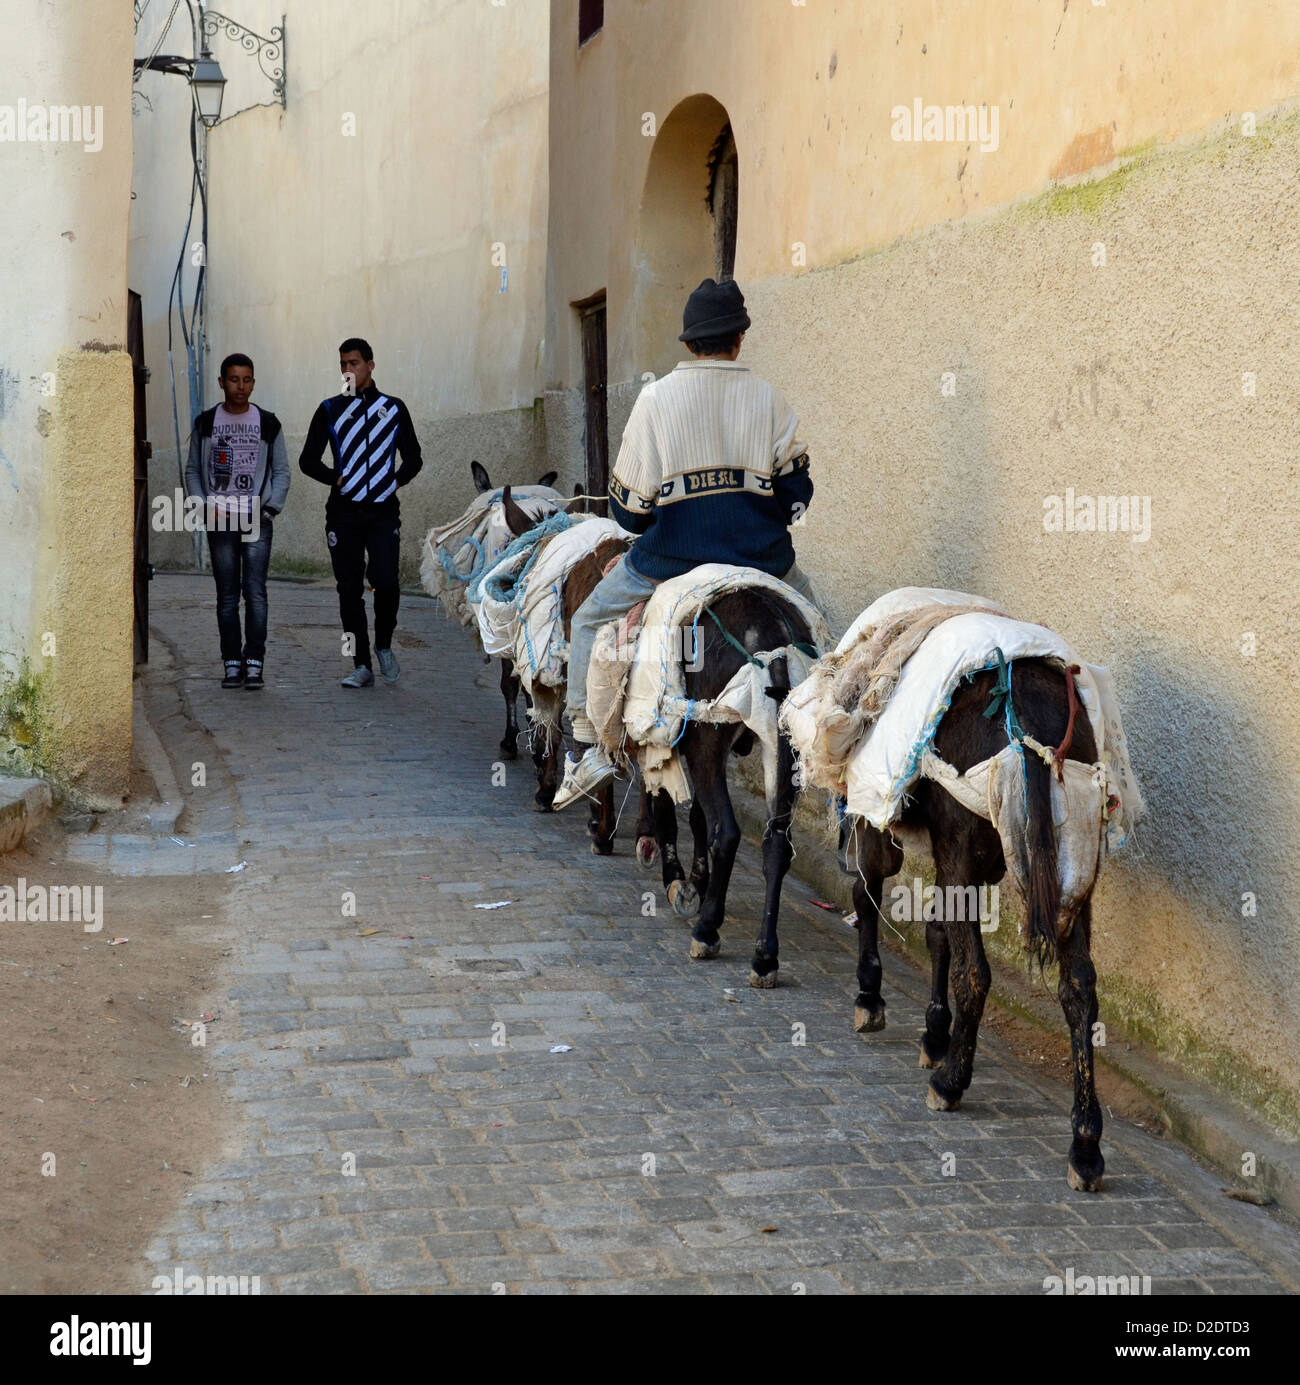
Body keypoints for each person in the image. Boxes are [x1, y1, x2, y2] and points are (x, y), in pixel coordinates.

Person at [552, 277, 816, 810]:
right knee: (816, 628)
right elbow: (798, 491)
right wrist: (759, 515)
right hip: (763, 562)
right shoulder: (769, 398)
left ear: (689, 343)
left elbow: (628, 511)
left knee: (584, 620)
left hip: (667, 562)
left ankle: (585, 747)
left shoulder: (656, 399)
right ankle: (833, 759)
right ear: (739, 339)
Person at [298, 338, 423, 687]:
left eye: (354, 363)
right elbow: (307, 460)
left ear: (370, 364)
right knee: (347, 589)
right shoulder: (329, 409)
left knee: (386, 582)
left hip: (383, 513)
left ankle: (384, 644)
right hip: (343, 514)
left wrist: (393, 482)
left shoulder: (394, 408)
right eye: (342, 364)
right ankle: (359, 663)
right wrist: (334, 478)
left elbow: (414, 458)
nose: (347, 370)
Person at [184, 352, 290, 690]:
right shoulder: (205, 423)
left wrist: (270, 508)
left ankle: (255, 663)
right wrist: (203, 506)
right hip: (220, 520)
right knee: (227, 595)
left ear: (253, 383)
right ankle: (232, 663)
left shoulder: (268, 423)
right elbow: (192, 471)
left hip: (257, 519)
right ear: (221, 382)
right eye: (234, 379)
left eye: (246, 380)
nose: (240, 387)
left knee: (255, 592)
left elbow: (282, 471)